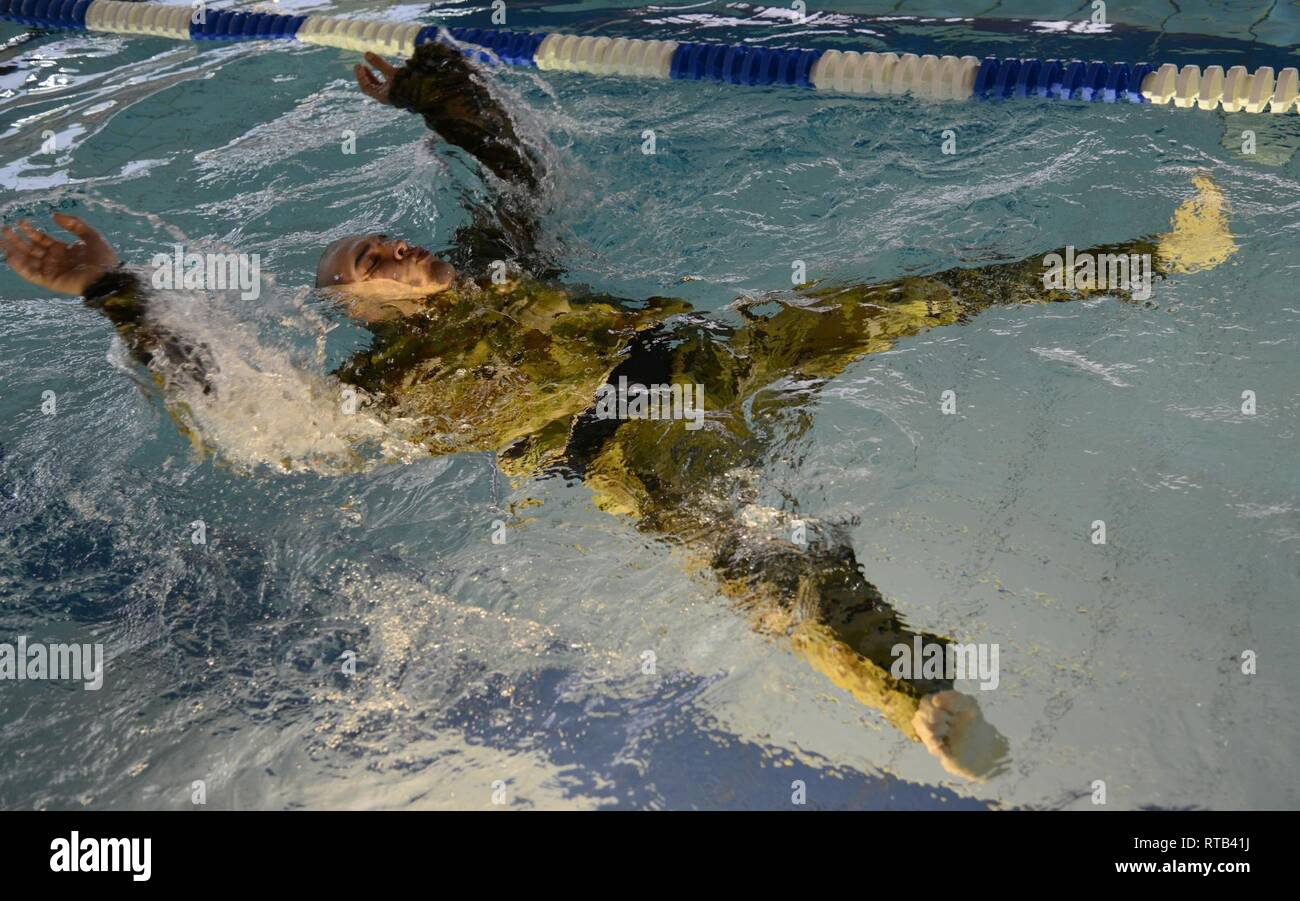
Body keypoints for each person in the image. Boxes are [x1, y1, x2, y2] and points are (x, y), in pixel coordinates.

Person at [0, 36, 1237, 779]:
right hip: (630, 439)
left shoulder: (499, 274)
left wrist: (431, 89)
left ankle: (1156, 258)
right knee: (771, 557)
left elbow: (513, 172)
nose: (378, 246)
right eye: (358, 264)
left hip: (717, 346)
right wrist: (116, 289)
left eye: (377, 236)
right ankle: (911, 697)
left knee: (929, 295)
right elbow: (259, 421)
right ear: (363, 314)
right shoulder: (387, 383)